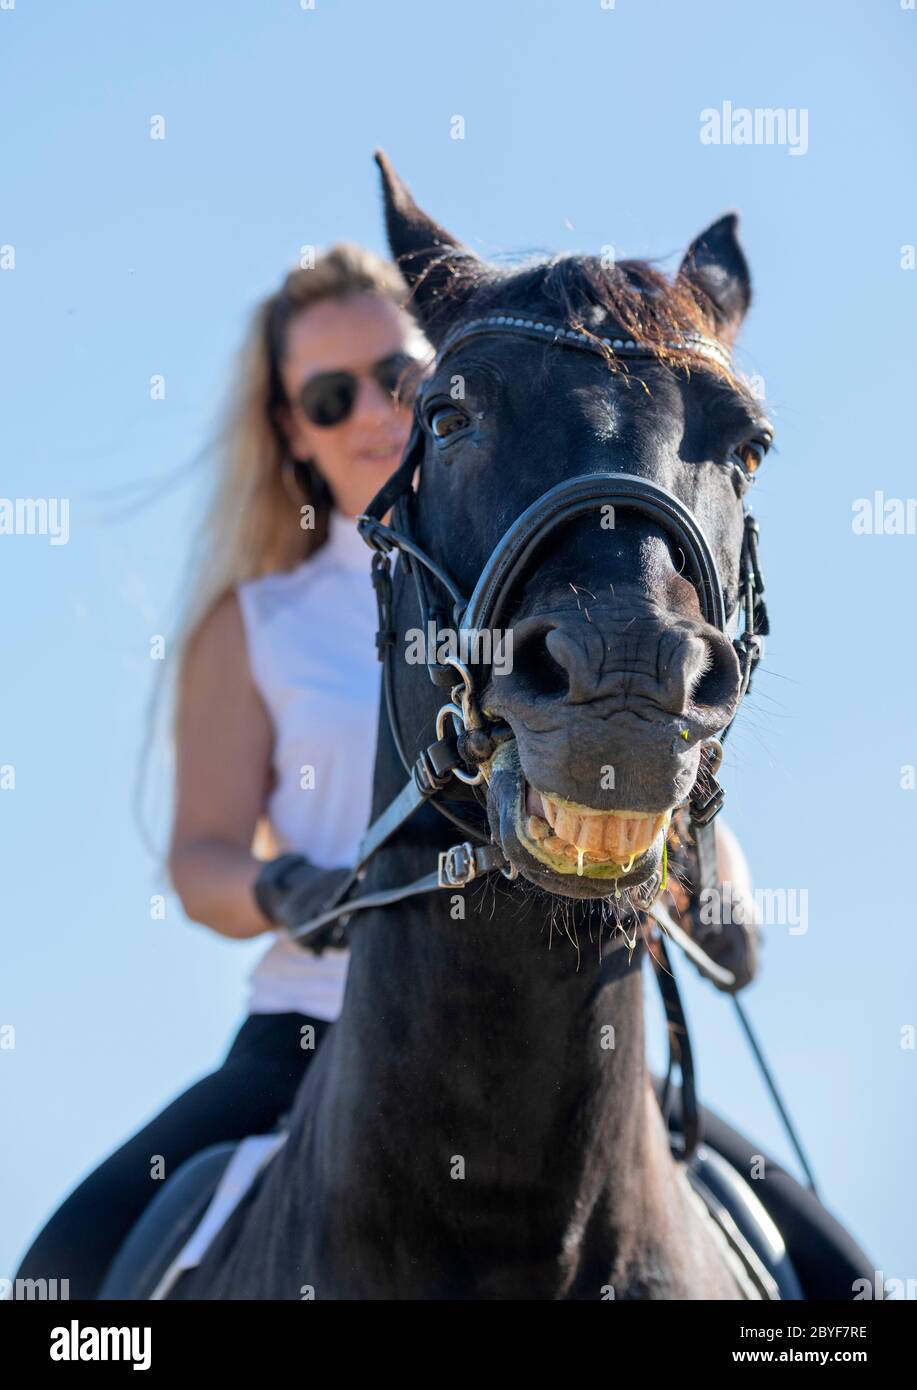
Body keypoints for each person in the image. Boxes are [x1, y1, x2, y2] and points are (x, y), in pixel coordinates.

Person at [15, 244, 429, 1300]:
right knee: (58, 1282)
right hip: (310, 1031)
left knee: (835, 1291)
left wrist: (714, 871)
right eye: (332, 398)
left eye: (399, 375)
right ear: (292, 430)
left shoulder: (546, 576)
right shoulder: (254, 626)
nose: (376, 413)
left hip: (548, 1029)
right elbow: (200, 857)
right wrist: (284, 886)